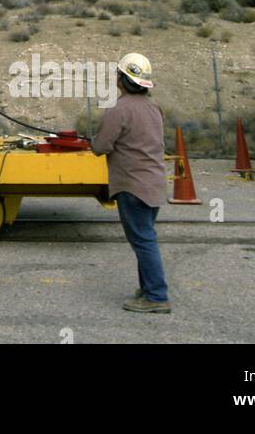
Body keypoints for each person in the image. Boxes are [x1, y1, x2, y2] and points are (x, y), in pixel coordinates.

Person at [92, 53, 171, 314]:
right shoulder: (154, 107)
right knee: (145, 236)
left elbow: (101, 147)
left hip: (132, 185)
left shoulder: (119, 109)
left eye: (118, 74)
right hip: (154, 182)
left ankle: (157, 296)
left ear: (124, 80)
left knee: (143, 240)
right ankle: (148, 288)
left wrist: (93, 141)